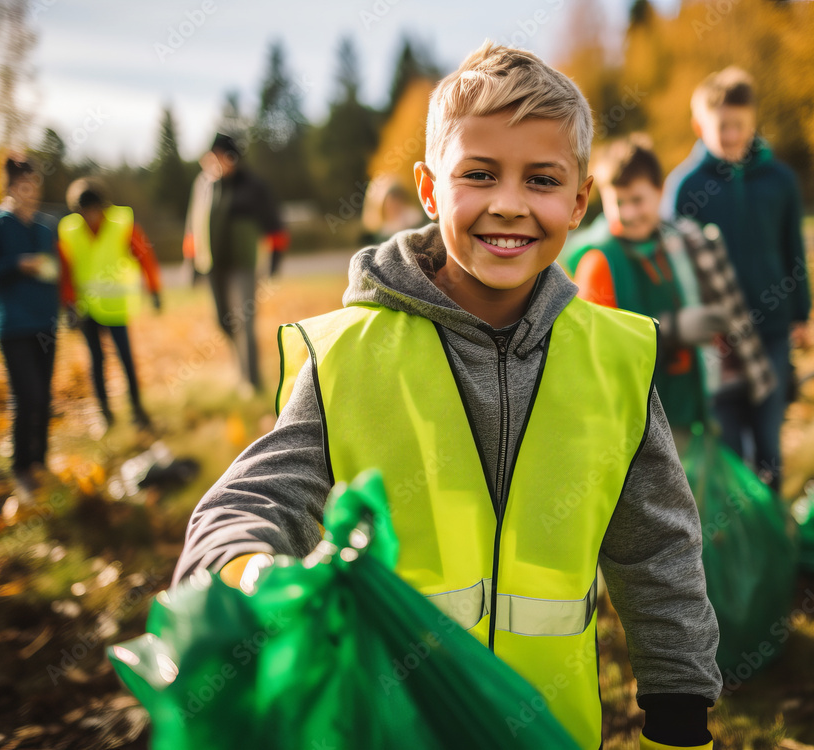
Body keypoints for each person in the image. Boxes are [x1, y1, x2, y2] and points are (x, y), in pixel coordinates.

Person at [172, 44, 720, 749]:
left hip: (554, 730)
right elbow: (247, 505)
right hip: (392, 730)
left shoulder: (616, 358)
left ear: (581, 200)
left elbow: (659, 554)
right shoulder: (344, 355)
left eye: (542, 179)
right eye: (480, 174)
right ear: (430, 191)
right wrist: (251, 574)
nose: (509, 204)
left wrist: (680, 717)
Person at [566, 135, 776, 444]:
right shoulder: (599, 262)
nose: (629, 213)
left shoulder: (677, 245)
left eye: (637, 200)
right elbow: (596, 347)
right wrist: (671, 330)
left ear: (660, 192)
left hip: (689, 401)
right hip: (635, 420)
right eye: (618, 202)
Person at [664, 66, 811, 490]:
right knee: (727, 438)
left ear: (753, 122)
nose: (731, 136)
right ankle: (734, 533)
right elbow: (675, 266)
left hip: (773, 329)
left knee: (768, 436)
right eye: (721, 126)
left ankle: (771, 528)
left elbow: (792, 251)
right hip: (718, 340)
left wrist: (801, 312)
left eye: (740, 126)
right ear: (699, 125)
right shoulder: (685, 187)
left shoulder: (780, 181)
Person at [0, 157, 60, 492]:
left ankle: (41, 463)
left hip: (45, 323)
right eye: (23, 185)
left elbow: (53, 272)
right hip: (13, 326)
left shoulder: (45, 228)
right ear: (9, 188)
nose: (30, 192)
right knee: (27, 396)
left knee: (45, 397)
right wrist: (17, 263)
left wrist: (52, 275)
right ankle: (21, 468)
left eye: (34, 185)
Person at [183, 133, 289, 394]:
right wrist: (191, 263)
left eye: (221, 157)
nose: (215, 162)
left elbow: (275, 225)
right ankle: (241, 368)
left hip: (243, 265)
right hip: (211, 265)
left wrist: (275, 260)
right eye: (212, 157)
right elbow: (193, 225)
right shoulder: (203, 184)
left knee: (245, 322)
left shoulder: (253, 186)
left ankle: (251, 382)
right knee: (223, 322)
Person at [57, 177, 162, 429]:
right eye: (85, 211)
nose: (91, 216)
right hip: (86, 308)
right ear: (77, 210)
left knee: (126, 358)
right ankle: (104, 415)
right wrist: (68, 305)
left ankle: (138, 411)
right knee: (96, 360)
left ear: (102, 206)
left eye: (95, 209)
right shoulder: (69, 230)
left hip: (115, 306)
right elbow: (66, 270)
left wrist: (154, 289)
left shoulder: (120, 223)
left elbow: (144, 256)